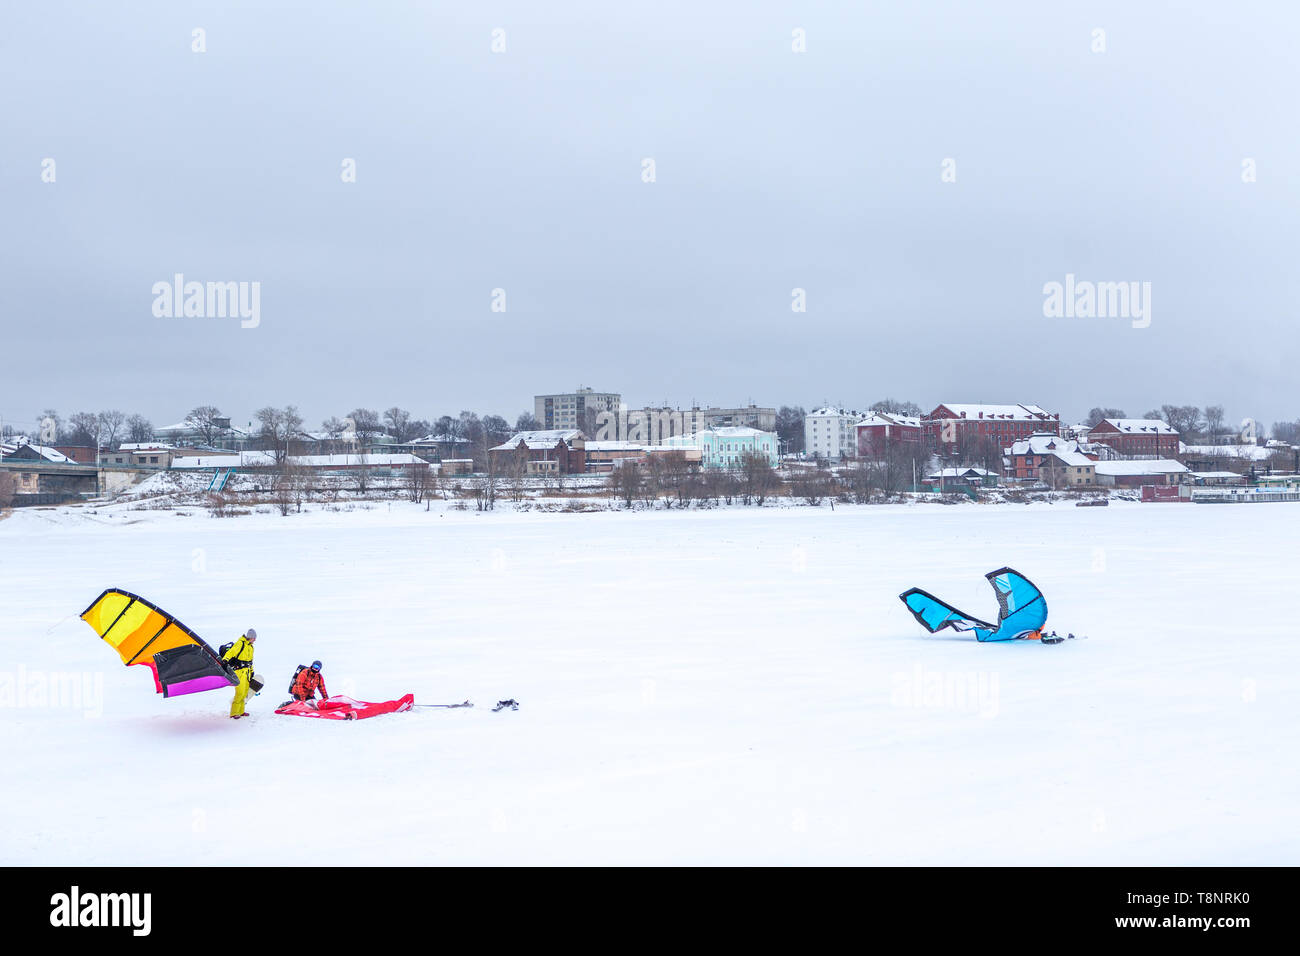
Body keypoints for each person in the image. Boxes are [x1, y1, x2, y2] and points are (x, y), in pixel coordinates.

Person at [222, 628, 257, 719]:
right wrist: (225, 660)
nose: (255, 640)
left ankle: (241, 712)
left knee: (245, 692)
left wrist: (252, 671)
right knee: (240, 692)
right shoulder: (240, 643)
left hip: (247, 673)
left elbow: (250, 661)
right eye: (254, 638)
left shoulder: (251, 647)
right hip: (239, 672)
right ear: (250, 637)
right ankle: (234, 713)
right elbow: (231, 652)